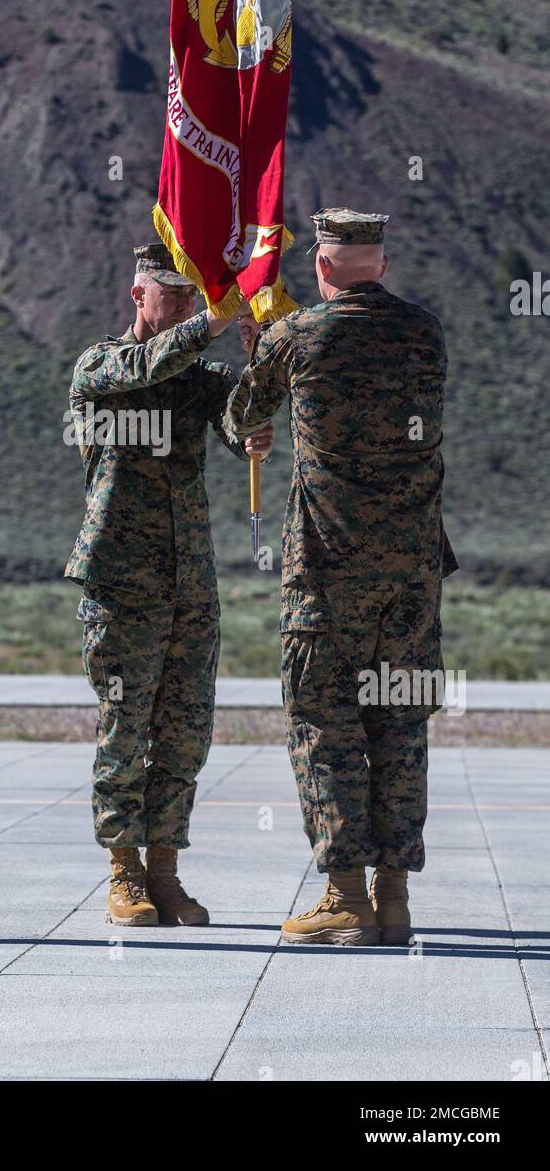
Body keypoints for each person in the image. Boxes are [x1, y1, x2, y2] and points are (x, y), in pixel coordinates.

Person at [223, 208, 457, 946]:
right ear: (381, 265)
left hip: (329, 569)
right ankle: (394, 897)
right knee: (400, 725)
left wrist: (257, 354)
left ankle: (344, 895)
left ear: (321, 267)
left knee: (325, 726)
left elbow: (242, 417)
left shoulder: (298, 336)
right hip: (414, 571)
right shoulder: (425, 332)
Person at [65, 240, 272, 926]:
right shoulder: (103, 365)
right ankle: (122, 872)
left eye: (195, 294)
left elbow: (240, 424)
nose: (187, 305)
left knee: (184, 733)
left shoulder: (198, 376)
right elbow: (150, 361)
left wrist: (259, 363)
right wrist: (208, 323)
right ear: (139, 295)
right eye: (175, 294)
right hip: (121, 580)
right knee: (127, 727)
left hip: (189, 579)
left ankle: (166, 871)